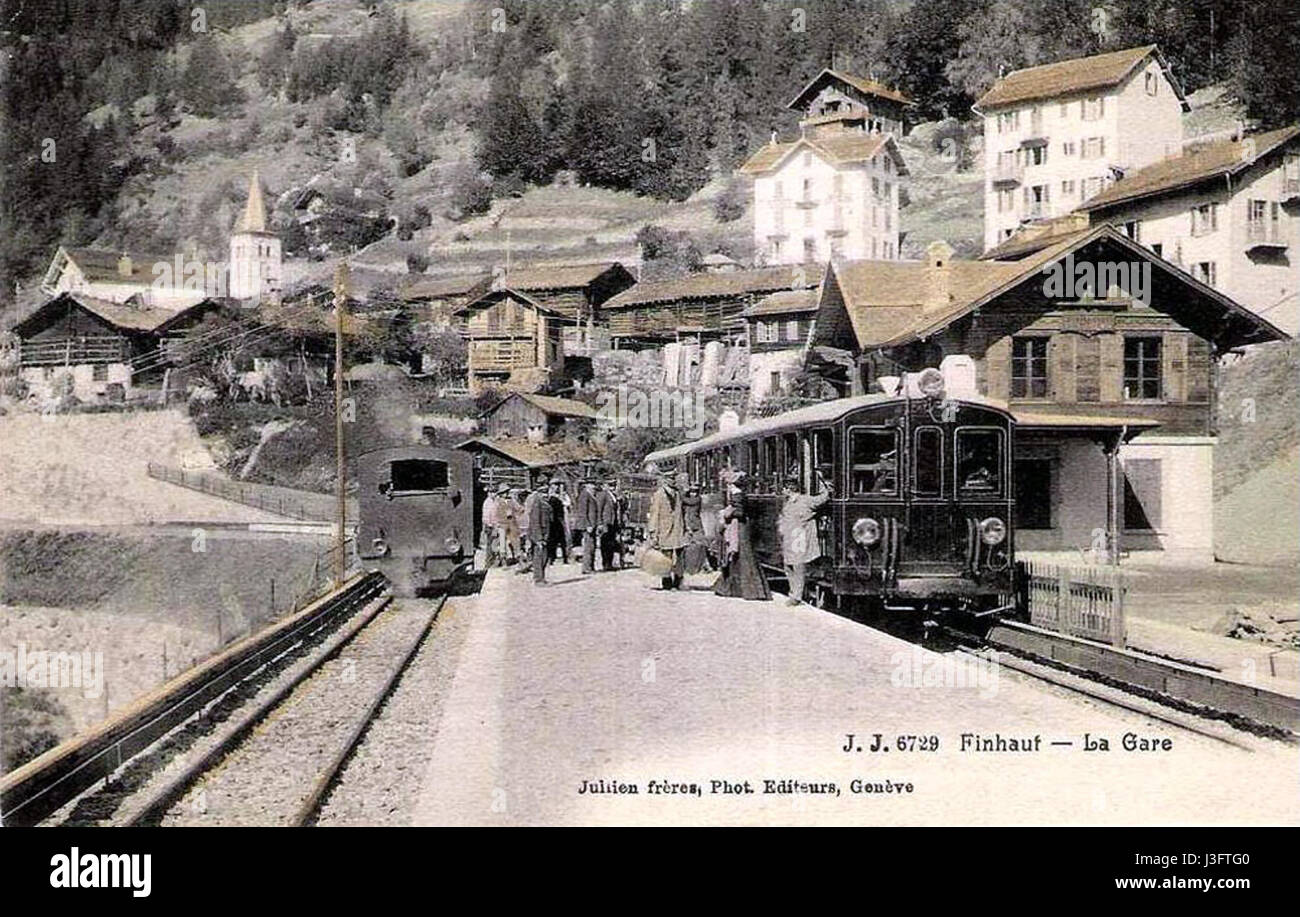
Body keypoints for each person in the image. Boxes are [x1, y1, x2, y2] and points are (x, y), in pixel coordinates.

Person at [713, 471, 769, 601]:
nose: (727, 485)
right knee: (737, 555)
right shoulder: (737, 494)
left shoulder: (737, 494)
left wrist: (727, 513)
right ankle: (737, 588)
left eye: (728, 483)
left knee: (740, 554)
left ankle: (746, 590)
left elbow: (740, 512)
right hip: (739, 526)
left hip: (739, 527)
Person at [778, 476, 833, 606]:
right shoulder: (788, 502)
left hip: (799, 537)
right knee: (788, 565)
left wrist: (824, 484)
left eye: (783, 489)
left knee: (798, 566)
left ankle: (796, 596)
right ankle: (793, 592)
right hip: (789, 536)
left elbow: (824, 498)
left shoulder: (806, 500)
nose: (782, 492)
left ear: (788, 489)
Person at [646, 471, 688, 589]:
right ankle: (666, 581)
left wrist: (686, 527)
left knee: (680, 555)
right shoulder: (659, 494)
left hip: (678, 528)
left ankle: (678, 580)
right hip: (665, 529)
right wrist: (653, 530)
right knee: (666, 556)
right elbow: (655, 513)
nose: (673, 480)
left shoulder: (678, 493)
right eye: (670, 478)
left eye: (674, 477)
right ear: (665, 479)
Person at [527, 477, 554, 585]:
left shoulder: (544, 502)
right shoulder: (537, 503)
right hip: (539, 534)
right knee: (539, 557)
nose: (546, 495)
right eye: (544, 492)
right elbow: (535, 521)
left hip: (544, 533)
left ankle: (541, 577)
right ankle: (538, 579)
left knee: (544, 556)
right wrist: (538, 538)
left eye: (546, 492)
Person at [680, 477, 708, 576]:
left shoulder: (697, 499)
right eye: (691, 491)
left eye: (695, 491)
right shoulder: (687, 499)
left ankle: (704, 564)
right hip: (687, 524)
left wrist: (683, 492)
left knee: (702, 543)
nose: (693, 493)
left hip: (696, 524)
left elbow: (688, 501)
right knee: (685, 546)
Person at [575, 479, 600, 574]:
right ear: (587, 485)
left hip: (592, 525)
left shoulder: (591, 495)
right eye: (592, 484)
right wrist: (588, 525)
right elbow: (583, 512)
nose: (594, 487)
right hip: (588, 526)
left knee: (592, 546)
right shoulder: (584, 495)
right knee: (588, 547)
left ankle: (590, 566)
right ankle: (586, 568)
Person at [596, 479, 620, 571]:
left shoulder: (614, 496)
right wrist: (600, 523)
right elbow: (599, 509)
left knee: (611, 544)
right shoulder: (603, 495)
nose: (612, 487)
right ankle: (605, 563)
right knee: (605, 544)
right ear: (605, 485)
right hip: (606, 522)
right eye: (610, 485)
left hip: (613, 522)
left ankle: (610, 563)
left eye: (613, 485)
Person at [547, 481, 570, 564]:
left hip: (557, 521)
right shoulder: (553, 499)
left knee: (559, 540)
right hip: (555, 522)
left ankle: (561, 557)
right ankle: (554, 557)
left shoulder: (557, 498)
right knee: (555, 540)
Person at [500, 486, 523, 565]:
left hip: (512, 524)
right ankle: (504, 561)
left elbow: (520, 509)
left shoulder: (511, 501)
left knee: (515, 541)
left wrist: (516, 514)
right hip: (502, 525)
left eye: (506, 492)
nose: (505, 494)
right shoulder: (498, 502)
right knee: (503, 543)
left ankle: (519, 559)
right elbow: (495, 514)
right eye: (504, 492)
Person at [480, 484, 502, 568]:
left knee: (495, 544)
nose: (494, 494)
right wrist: (491, 526)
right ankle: (488, 563)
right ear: (488, 493)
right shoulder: (487, 503)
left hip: (496, 525)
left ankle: (494, 561)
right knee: (490, 545)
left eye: (495, 492)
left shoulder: (495, 501)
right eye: (492, 492)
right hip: (490, 526)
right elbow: (486, 517)